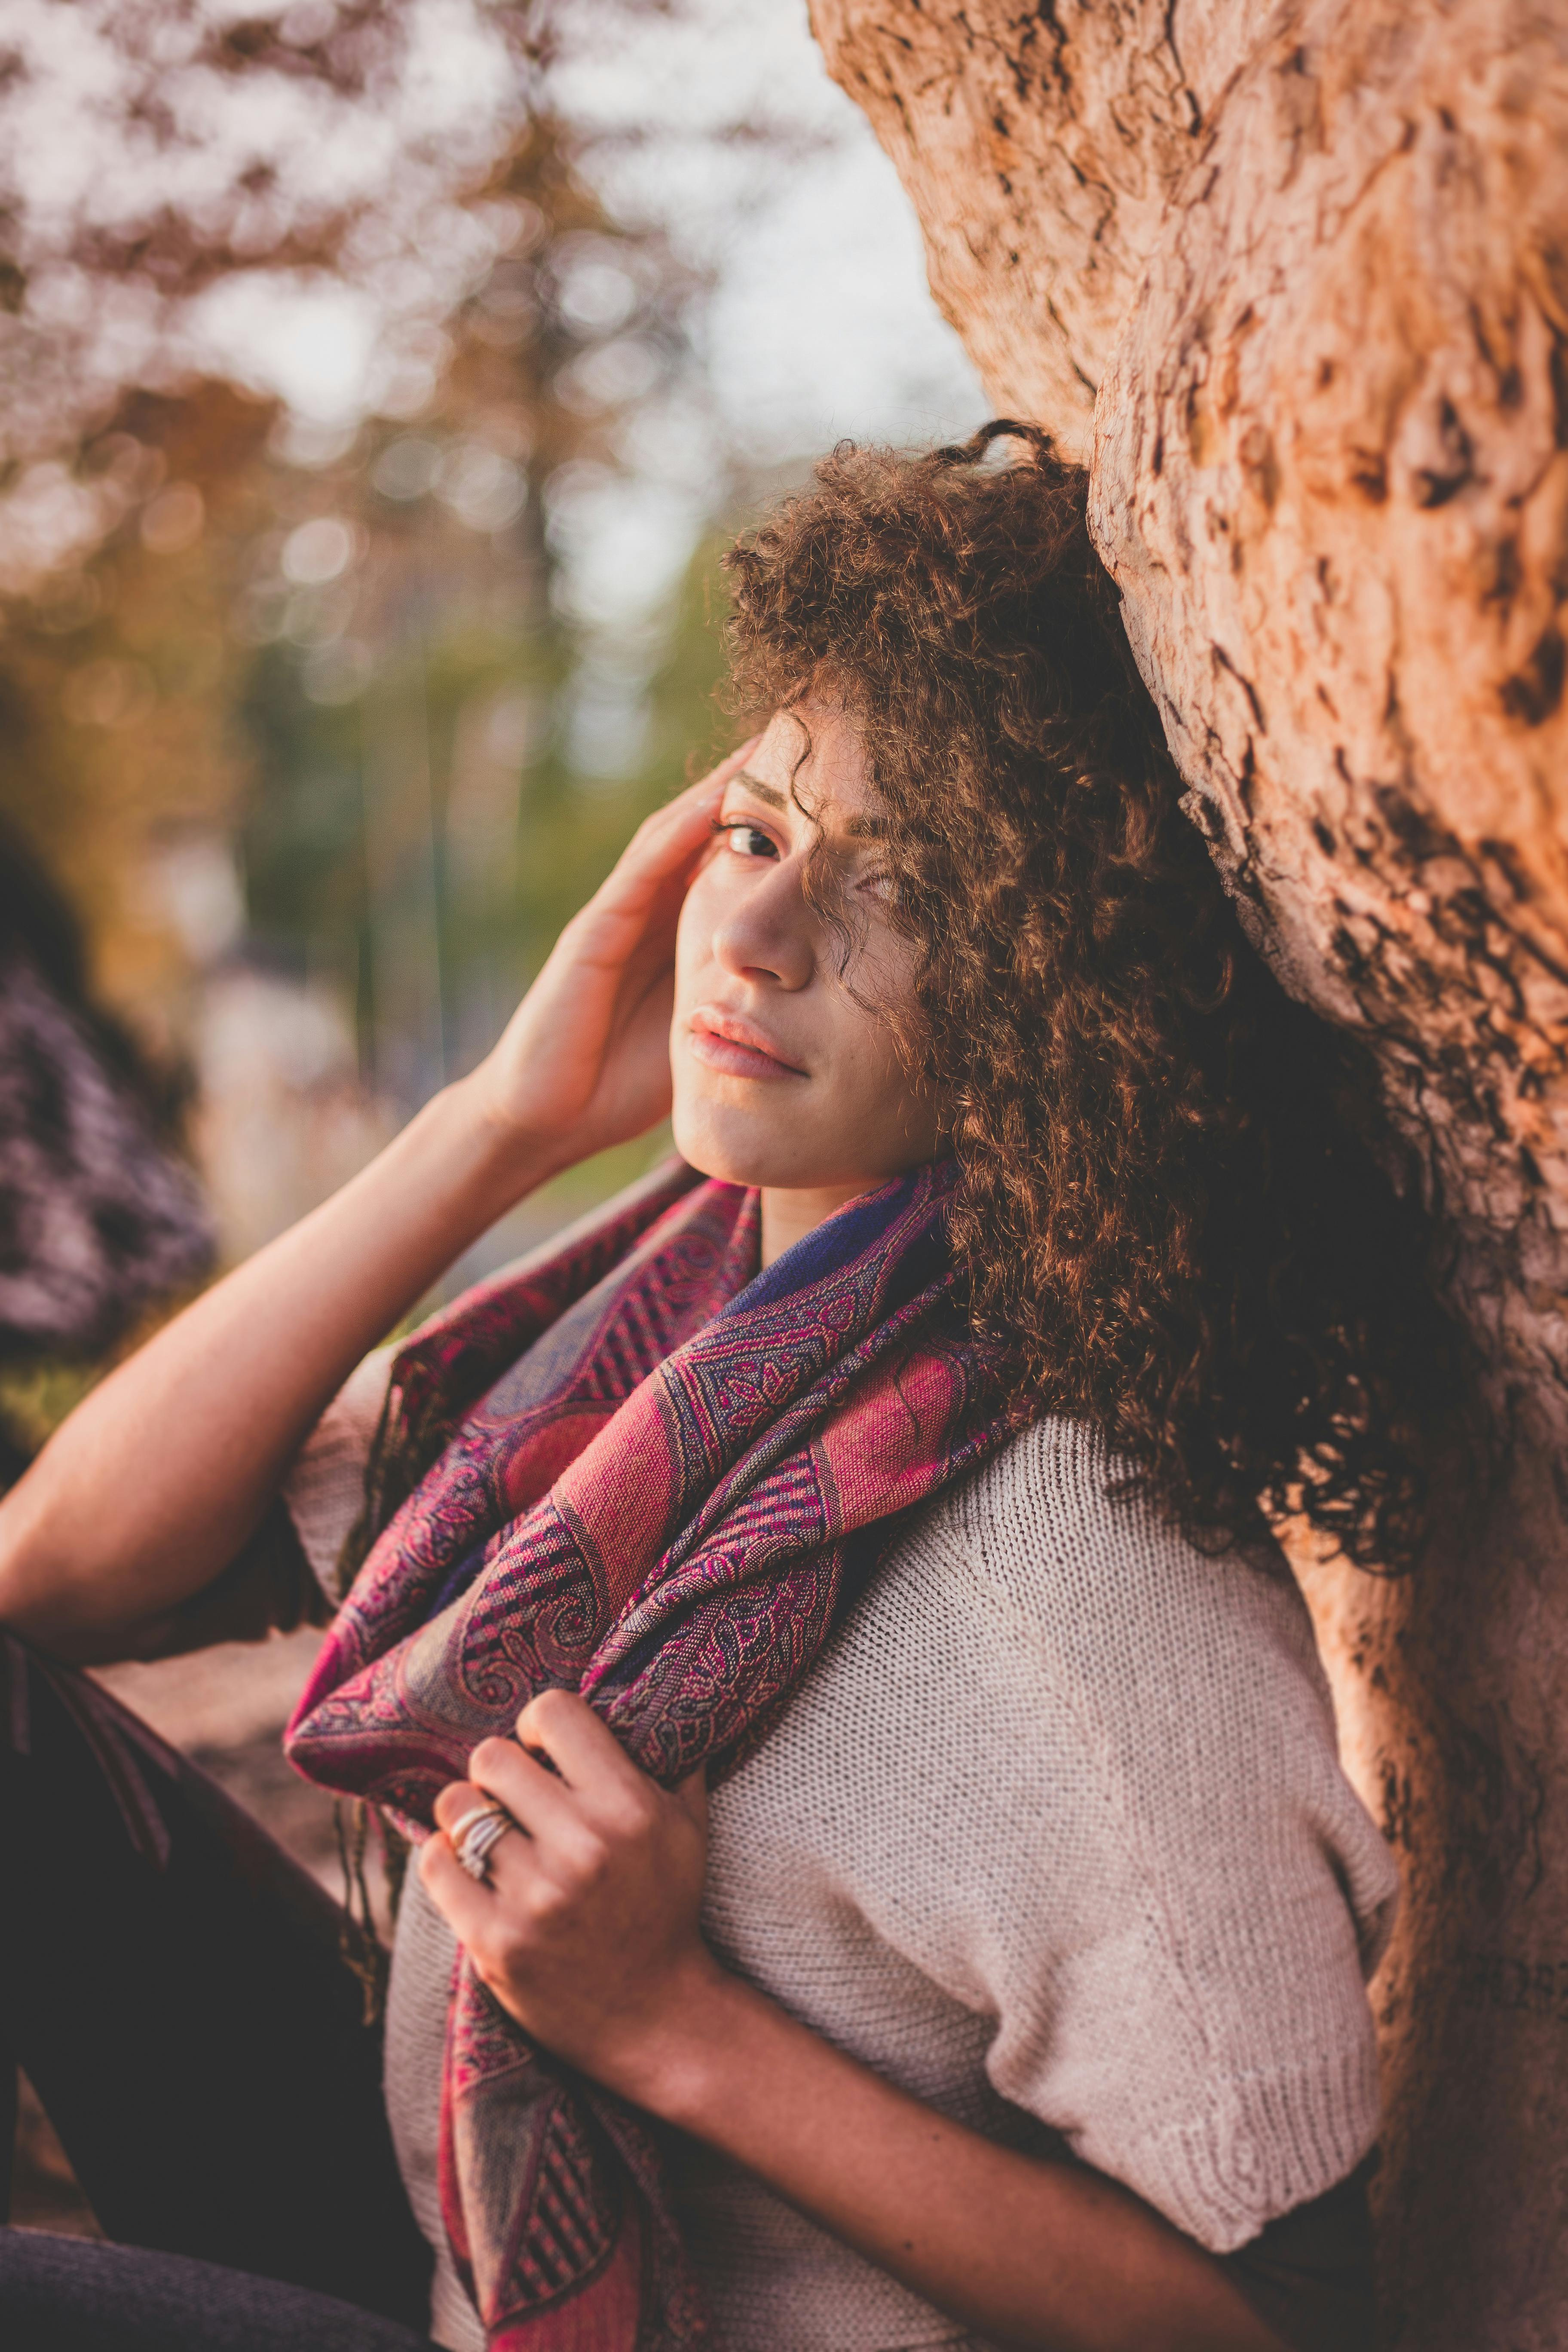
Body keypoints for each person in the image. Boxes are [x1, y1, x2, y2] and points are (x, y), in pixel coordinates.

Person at [0, 427, 1456, 2352]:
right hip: (438, 2220)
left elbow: (1305, 2331)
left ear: (1068, 982)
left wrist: (669, 2031)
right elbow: (57, 1580)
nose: (755, 936)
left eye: (904, 887)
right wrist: (492, 1122)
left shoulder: (1093, 1614)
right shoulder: (670, 1312)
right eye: (755, 836)